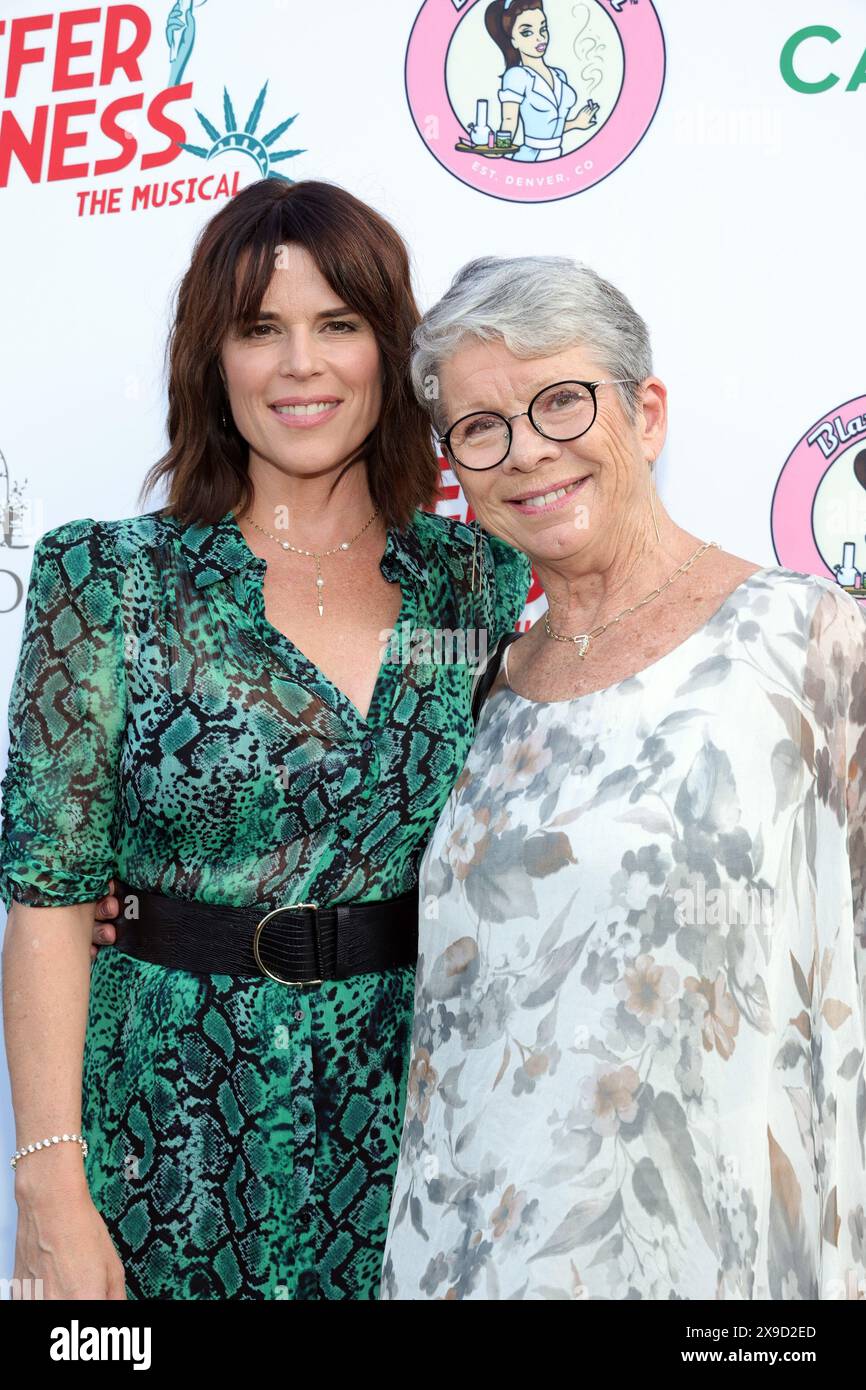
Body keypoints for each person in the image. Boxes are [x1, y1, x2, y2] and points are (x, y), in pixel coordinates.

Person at [0, 182, 530, 1301]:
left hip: (416, 1122)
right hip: (167, 1130)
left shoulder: (475, 580)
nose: (300, 365)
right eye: (258, 329)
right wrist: (48, 1184)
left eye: (337, 323)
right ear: (213, 359)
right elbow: (49, 899)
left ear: (391, 353)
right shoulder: (107, 579)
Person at [380, 254, 866, 1300]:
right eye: (481, 427)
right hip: (470, 1251)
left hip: (715, 1255)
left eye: (561, 401)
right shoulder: (482, 688)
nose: (526, 450)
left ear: (645, 415)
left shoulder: (808, 642)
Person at [485, 0, 598, 162]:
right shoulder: (517, 76)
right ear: (513, 40)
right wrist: (497, 149)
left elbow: (550, 126)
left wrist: (576, 123)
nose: (540, 37)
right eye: (527, 32)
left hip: (556, 154)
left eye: (543, 29)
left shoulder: (559, 75)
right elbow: (509, 121)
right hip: (531, 156)